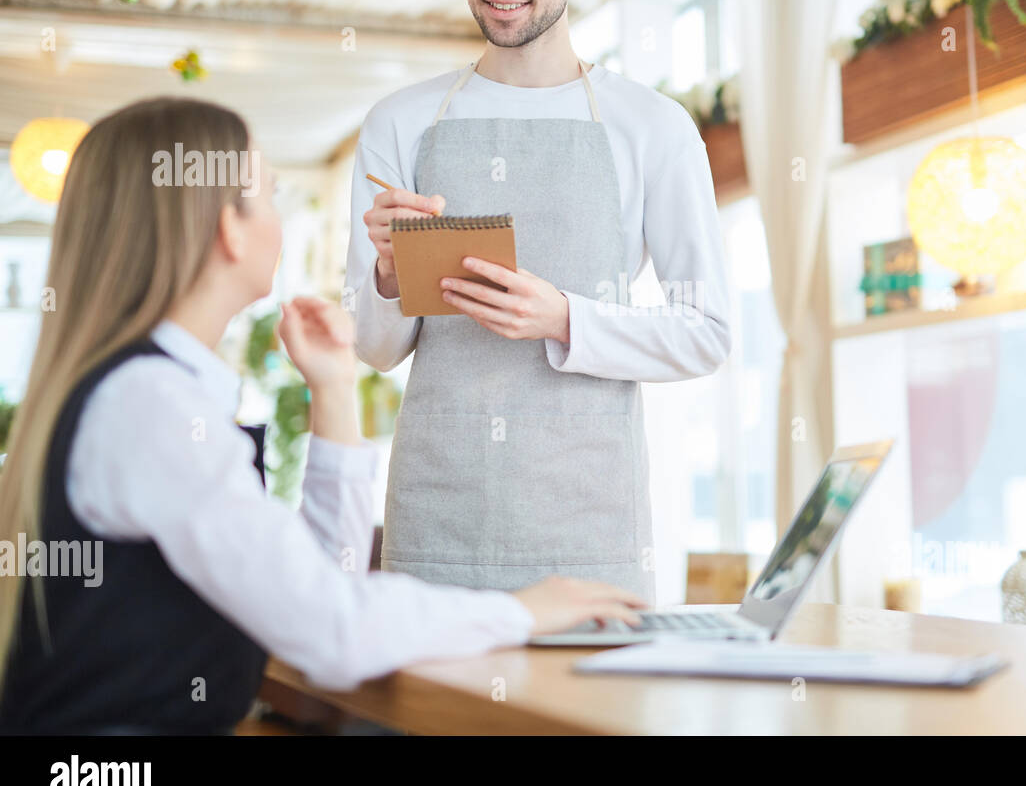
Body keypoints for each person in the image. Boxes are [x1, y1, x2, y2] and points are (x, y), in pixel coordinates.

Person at [0, 97, 644, 735]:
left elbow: (313, 585)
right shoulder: (149, 407)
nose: (278, 218)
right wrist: (522, 612)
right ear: (229, 228)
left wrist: (333, 390)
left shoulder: (143, 392)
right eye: (271, 195)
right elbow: (332, 632)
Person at [345, 0, 731, 602]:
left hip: (589, 528)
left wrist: (564, 318)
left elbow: (707, 331)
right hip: (437, 522)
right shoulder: (398, 121)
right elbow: (375, 348)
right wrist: (388, 278)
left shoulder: (651, 126)